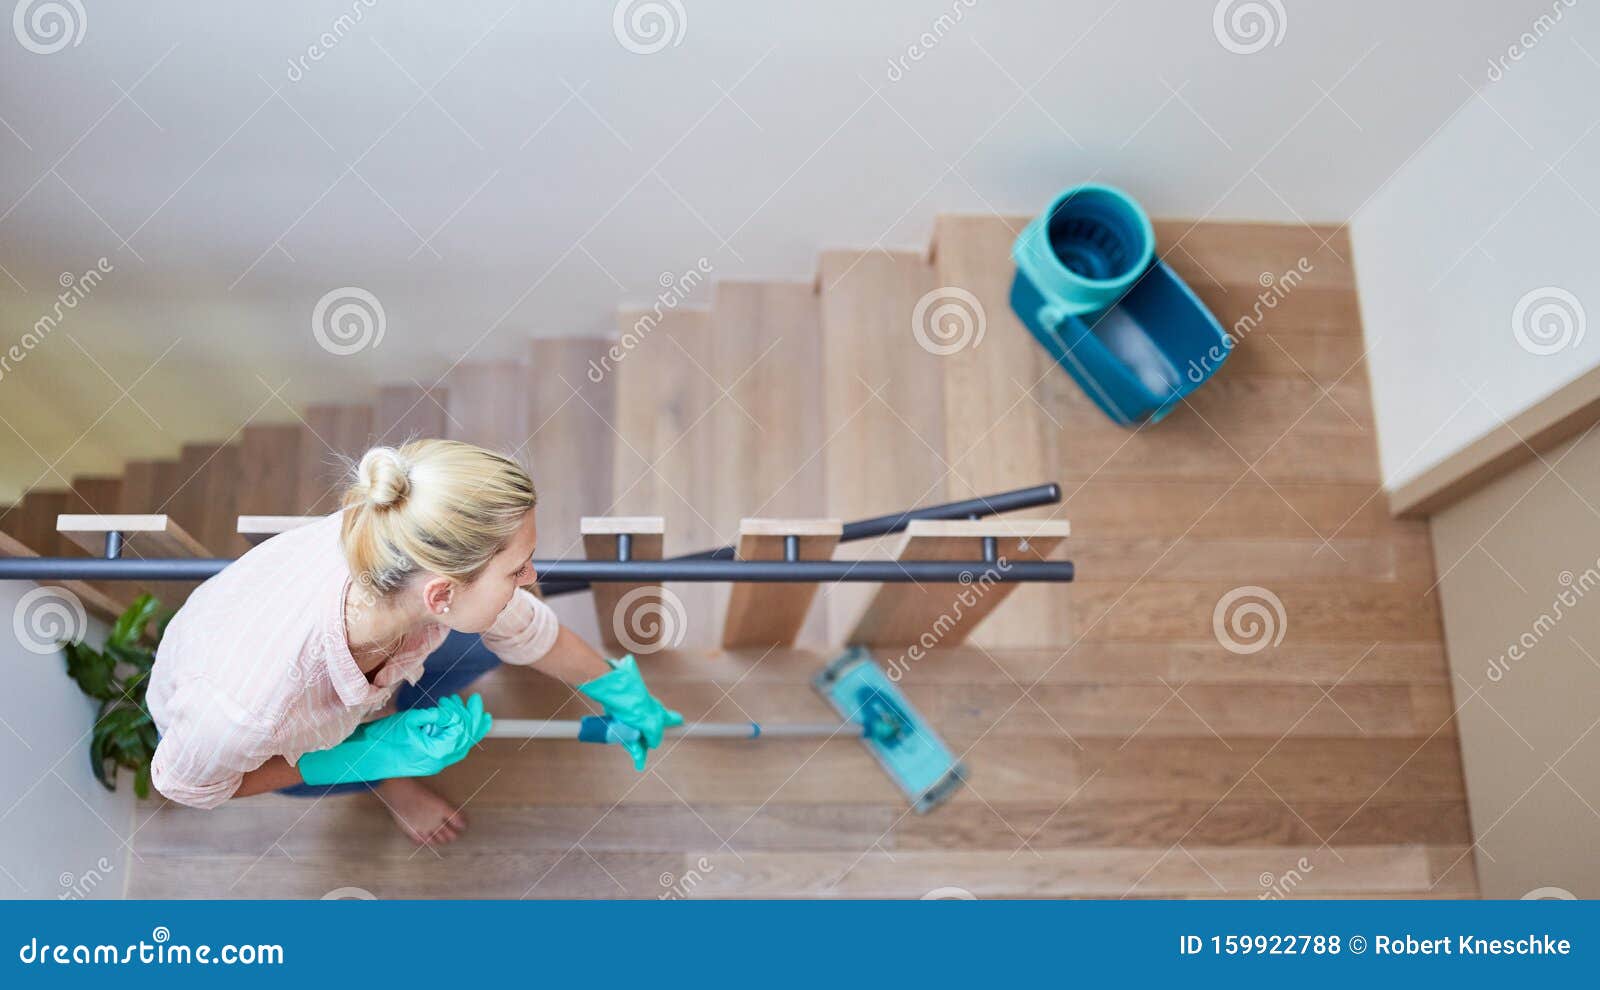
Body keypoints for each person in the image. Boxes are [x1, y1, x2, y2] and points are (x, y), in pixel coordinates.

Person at [146, 439, 680, 845]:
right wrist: (369, 757)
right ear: (441, 594)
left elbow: (527, 627)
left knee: (486, 638)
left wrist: (616, 688)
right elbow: (188, 785)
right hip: (260, 724)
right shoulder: (246, 713)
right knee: (352, 758)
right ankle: (387, 783)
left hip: (365, 657)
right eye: (517, 568)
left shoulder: (404, 546)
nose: (532, 576)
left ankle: (384, 735)